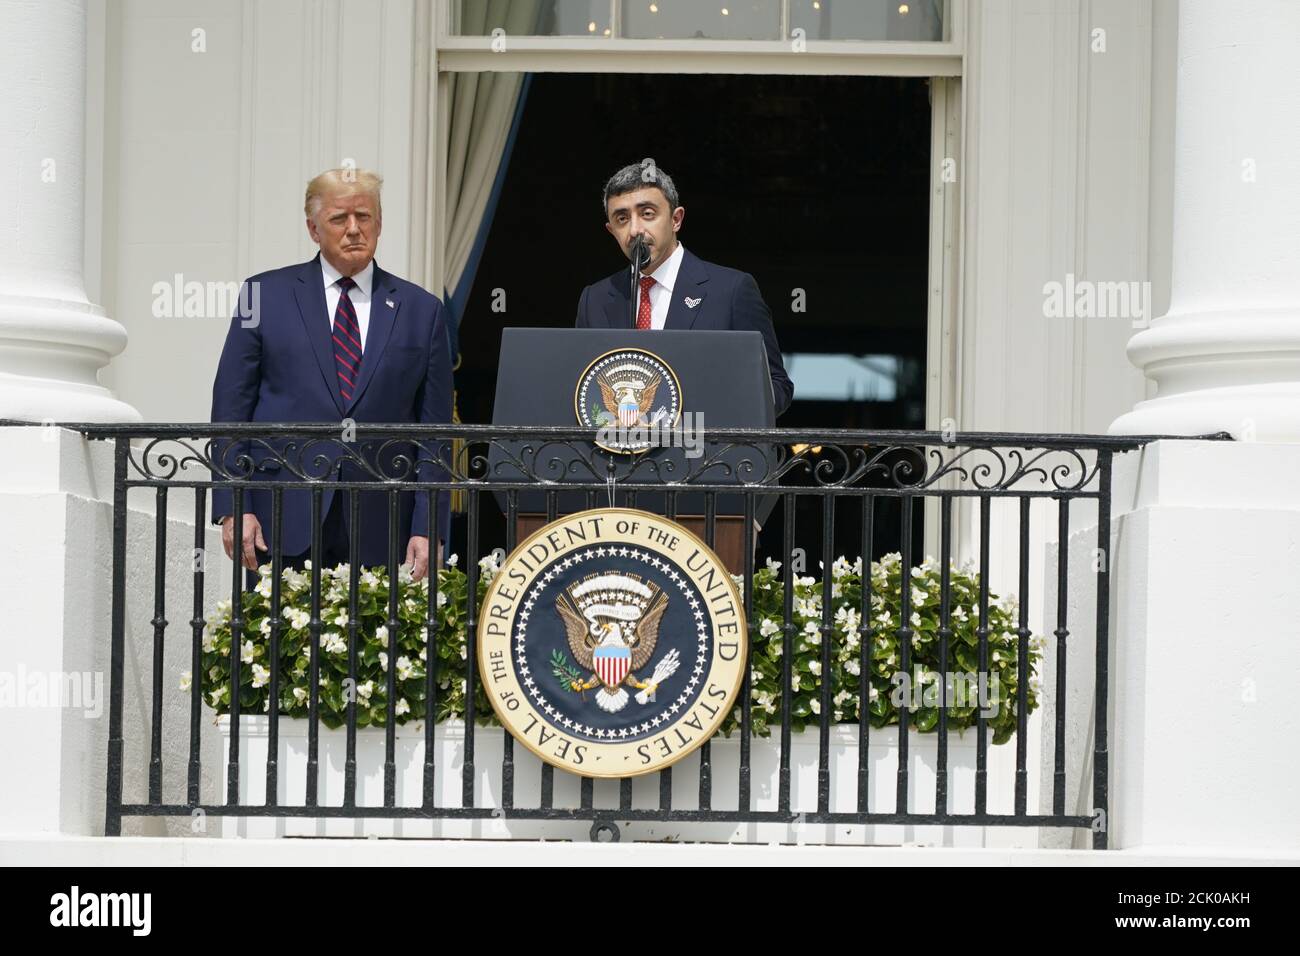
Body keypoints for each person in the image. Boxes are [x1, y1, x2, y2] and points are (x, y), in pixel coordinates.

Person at [210, 168, 452, 581]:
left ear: (380, 223)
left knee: (379, 646)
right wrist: (235, 505)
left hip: (383, 522)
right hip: (281, 517)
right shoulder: (262, 295)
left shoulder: (421, 310)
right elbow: (231, 409)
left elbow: (434, 433)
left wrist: (428, 526)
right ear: (313, 228)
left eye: (365, 216)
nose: (354, 229)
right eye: (340, 218)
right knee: (277, 644)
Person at [574, 159, 794, 416]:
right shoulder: (595, 299)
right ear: (612, 230)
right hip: (619, 452)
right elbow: (582, 389)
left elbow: (776, 389)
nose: (634, 230)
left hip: (703, 451)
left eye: (647, 214)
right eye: (622, 219)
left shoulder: (732, 290)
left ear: (676, 219)